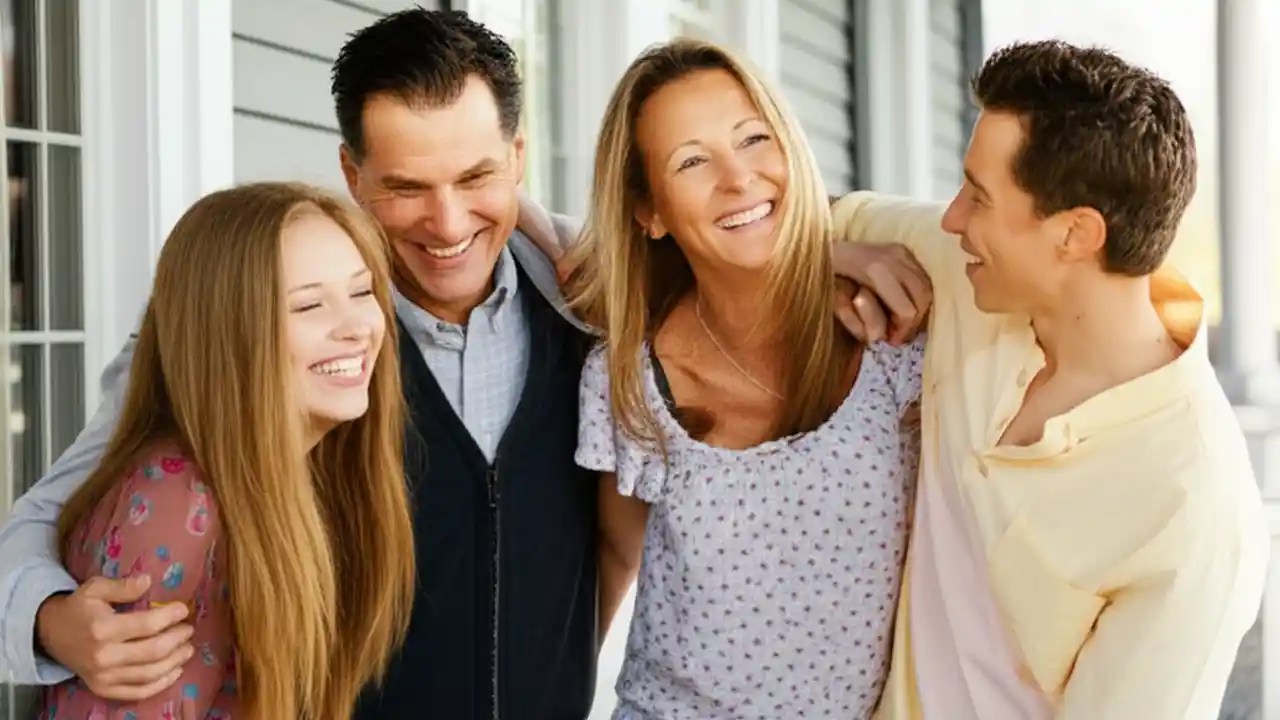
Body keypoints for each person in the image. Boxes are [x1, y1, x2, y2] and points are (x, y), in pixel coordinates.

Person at [0, 9, 926, 718]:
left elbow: (717, 210)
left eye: (477, 179)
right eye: (405, 188)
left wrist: (822, 246)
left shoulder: (587, 303)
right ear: (352, 175)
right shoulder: (256, 337)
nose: (448, 226)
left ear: (518, 158)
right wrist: (48, 622)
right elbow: (48, 513)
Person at [829, 40, 1269, 719]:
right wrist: (833, 258)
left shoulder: (1194, 509)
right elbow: (793, 219)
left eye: (978, 197)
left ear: (1075, 235)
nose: (951, 219)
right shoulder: (971, 274)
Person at [568, 38, 925, 718]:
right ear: (650, 212)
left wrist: (831, 247)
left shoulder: (891, 337)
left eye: (754, 139)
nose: (738, 179)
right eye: (692, 161)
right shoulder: (628, 381)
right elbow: (617, 556)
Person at [37, 182, 416, 719]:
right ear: (229, 334)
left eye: (361, 293)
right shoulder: (178, 502)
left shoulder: (309, 469)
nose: (357, 327)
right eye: (308, 304)